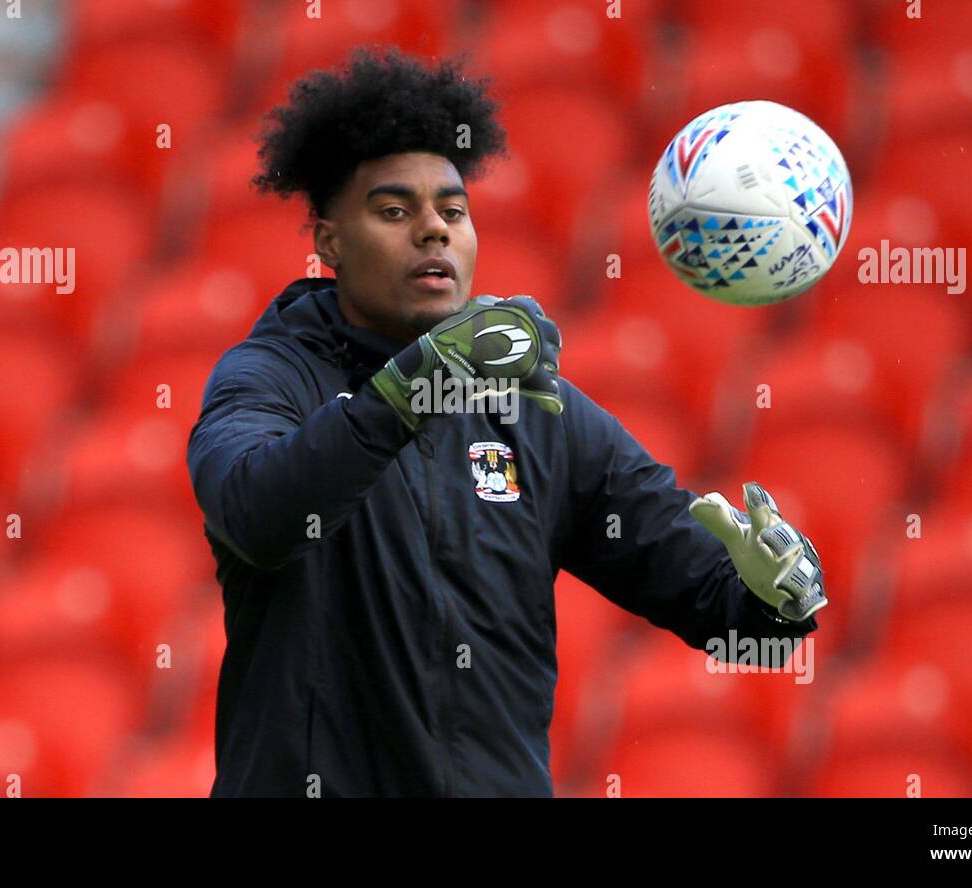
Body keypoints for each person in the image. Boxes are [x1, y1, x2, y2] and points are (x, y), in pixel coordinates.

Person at [186, 47, 827, 798]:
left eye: (453, 212)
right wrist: (419, 385)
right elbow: (261, 515)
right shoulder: (269, 377)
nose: (434, 231)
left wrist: (770, 602)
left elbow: (712, 604)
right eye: (395, 211)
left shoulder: (539, 413)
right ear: (328, 241)